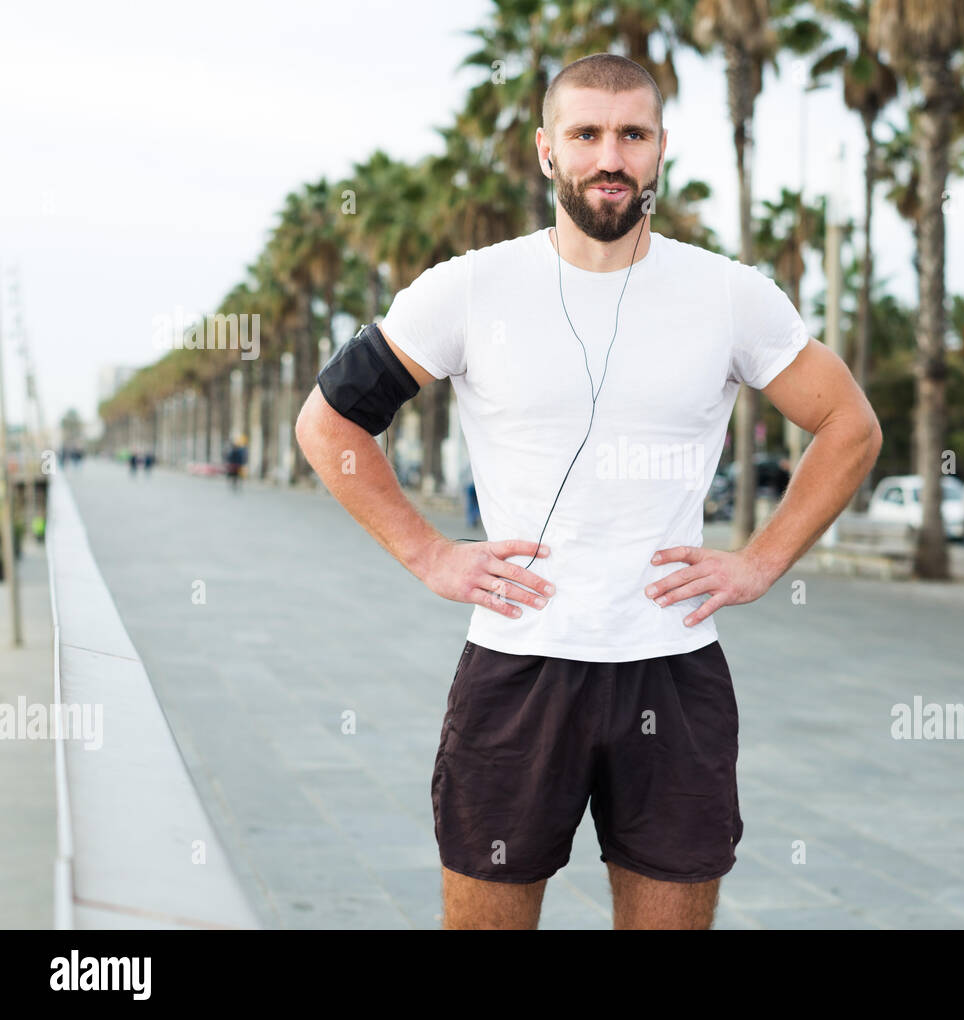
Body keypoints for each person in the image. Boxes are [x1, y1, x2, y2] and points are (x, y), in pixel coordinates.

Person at [296, 53, 881, 930]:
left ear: (660, 150)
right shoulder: (467, 288)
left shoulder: (728, 295)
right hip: (516, 666)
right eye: (587, 134)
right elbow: (328, 423)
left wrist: (762, 562)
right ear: (546, 151)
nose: (610, 156)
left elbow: (850, 425)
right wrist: (428, 553)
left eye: (631, 135)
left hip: (673, 669)